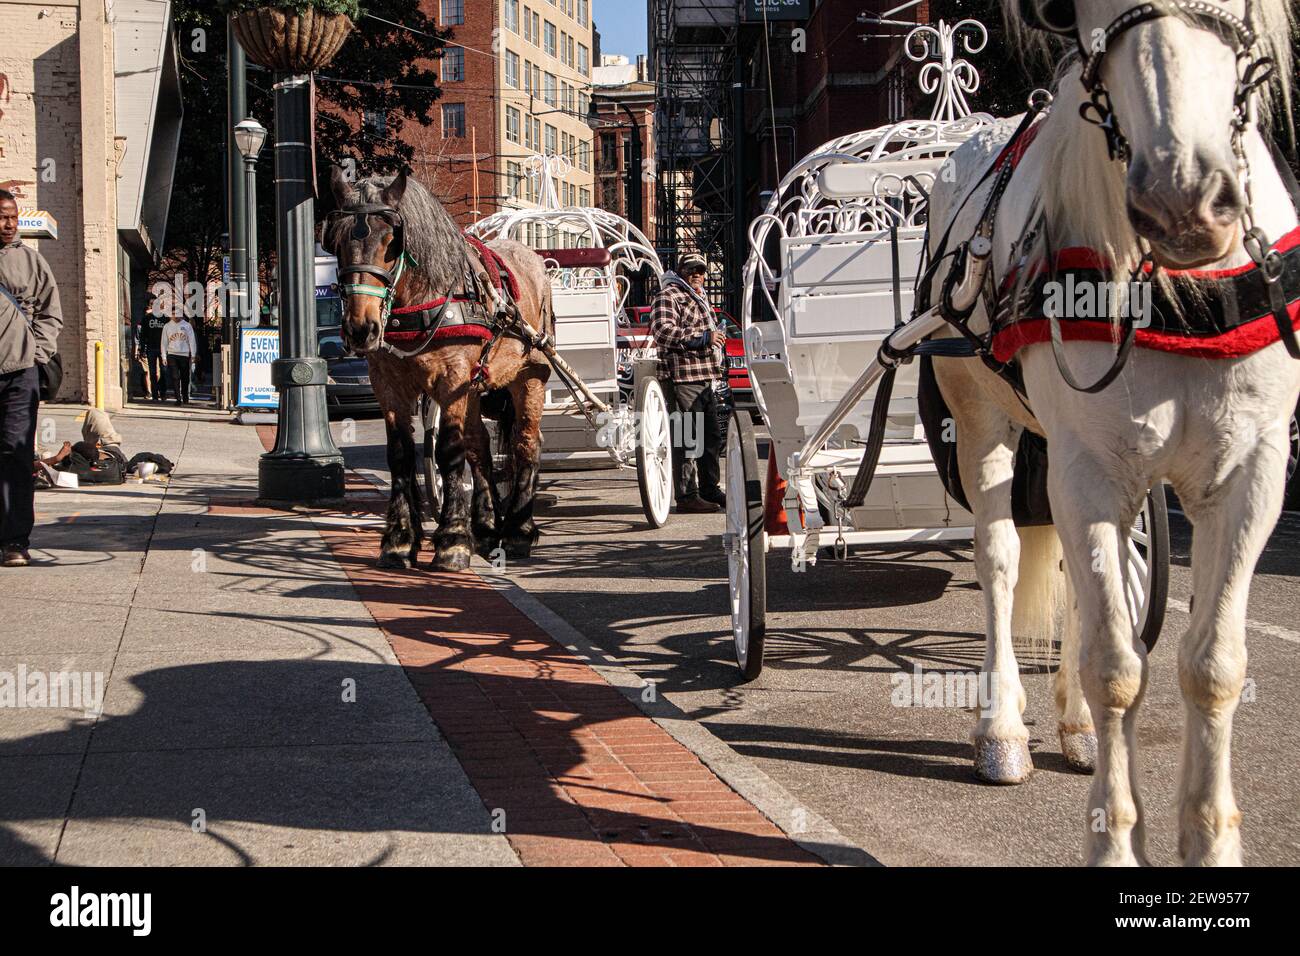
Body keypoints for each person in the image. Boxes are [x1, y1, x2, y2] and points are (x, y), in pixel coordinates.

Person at [0, 188, 63, 567]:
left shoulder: (30, 261)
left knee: (16, 455)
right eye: (2, 217)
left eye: (13, 216)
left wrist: (36, 355)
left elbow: (49, 313)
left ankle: (14, 541)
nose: (9, 224)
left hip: (20, 373)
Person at [649, 252, 726, 514]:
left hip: (704, 375)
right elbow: (661, 331)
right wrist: (703, 337)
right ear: (681, 271)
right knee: (687, 438)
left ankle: (708, 489)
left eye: (701, 271)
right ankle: (687, 495)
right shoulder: (669, 295)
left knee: (711, 437)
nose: (698, 275)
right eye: (692, 270)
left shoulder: (698, 296)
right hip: (682, 376)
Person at [160, 310, 198, 405]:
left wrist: (193, 355)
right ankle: (178, 398)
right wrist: (164, 356)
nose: (176, 316)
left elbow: (192, 341)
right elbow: (164, 342)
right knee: (175, 377)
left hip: (184, 354)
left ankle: (185, 396)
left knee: (185, 377)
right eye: (173, 314)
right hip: (172, 354)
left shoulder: (187, 326)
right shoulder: (167, 326)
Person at [136, 299, 168, 400]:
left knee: (163, 371)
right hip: (151, 348)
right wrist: (142, 349)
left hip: (163, 349)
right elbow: (143, 335)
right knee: (152, 372)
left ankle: (162, 393)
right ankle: (154, 394)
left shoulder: (165, 318)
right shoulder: (147, 318)